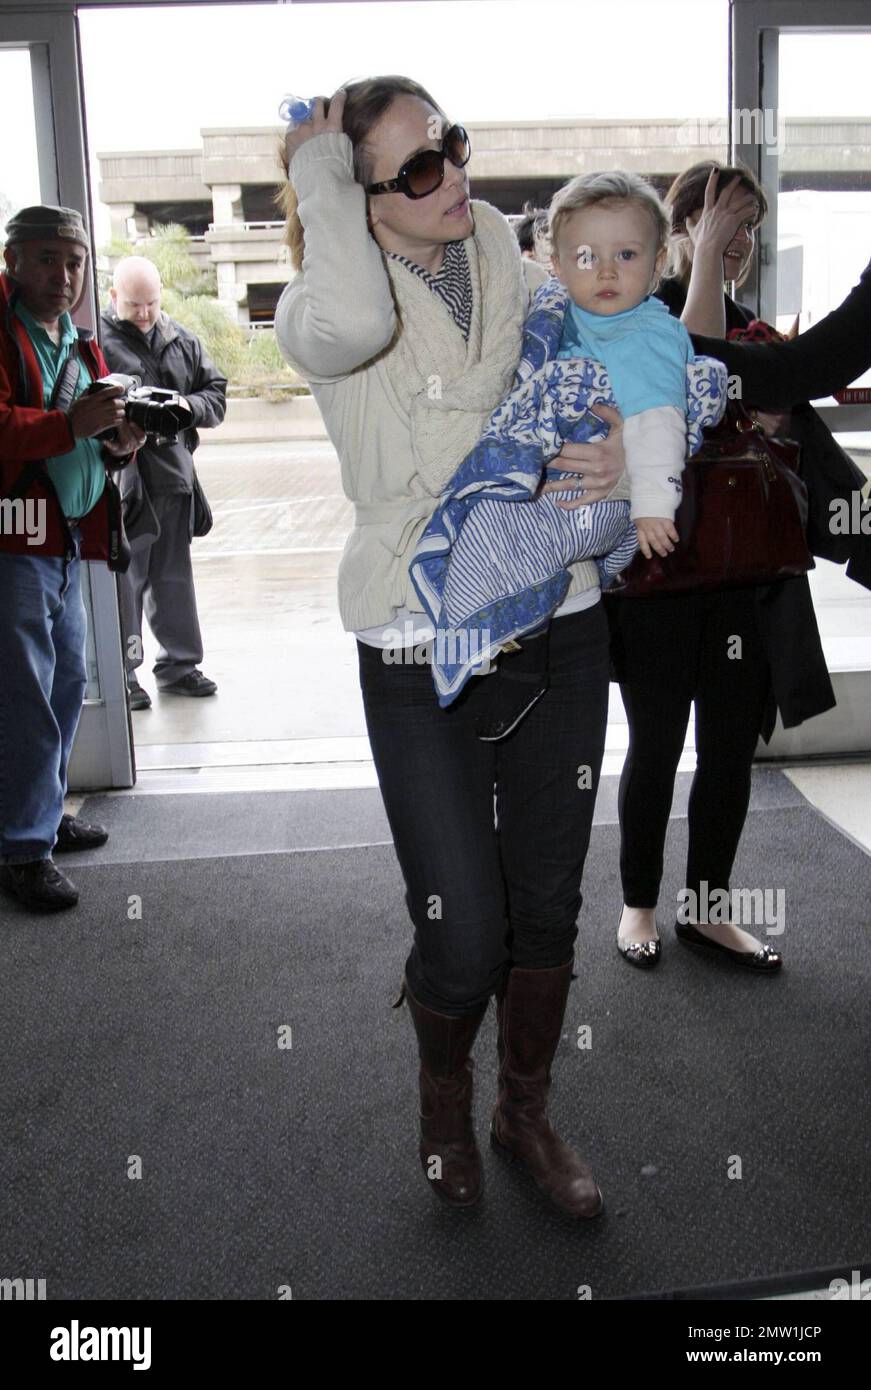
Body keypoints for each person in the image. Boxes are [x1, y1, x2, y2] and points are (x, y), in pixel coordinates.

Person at [274, 77, 629, 1220]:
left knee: (545, 905)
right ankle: (441, 1090)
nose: (453, 180)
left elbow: (601, 376)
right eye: (416, 169)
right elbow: (362, 326)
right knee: (461, 932)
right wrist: (319, 166)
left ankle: (521, 1109)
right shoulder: (318, 308)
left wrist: (616, 453)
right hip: (413, 639)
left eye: (454, 149)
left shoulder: (521, 270)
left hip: (560, 621)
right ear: (352, 191)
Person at [607, 162, 871, 971]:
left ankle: (708, 908)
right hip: (658, 575)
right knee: (655, 744)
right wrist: (705, 250)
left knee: (728, 749)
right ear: (681, 231)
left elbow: (789, 428)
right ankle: (637, 907)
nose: (741, 242)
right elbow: (681, 379)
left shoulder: (760, 335)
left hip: (746, 579)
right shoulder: (640, 316)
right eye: (726, 223)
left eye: (751, 227)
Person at [0, 205, 144, 912]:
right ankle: (24, 849)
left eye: (75, 261)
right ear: (14, 263)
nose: (65, 275)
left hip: (65, 532)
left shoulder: (79, 340)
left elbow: (91, 428)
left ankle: (40, 818)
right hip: (16, 533)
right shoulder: (4, 334)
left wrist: (118, 441)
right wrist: (69, 425)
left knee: (61, 686)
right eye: (48, 259)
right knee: (26, 695)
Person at [100, 256, 227, 709]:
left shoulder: (182, 340)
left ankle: (179, 666)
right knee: (125, 582)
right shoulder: (97, 342)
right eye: (134, 304)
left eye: (151, 303)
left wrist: (186, 407)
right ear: (114, 297)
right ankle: (124, 673)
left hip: (174, 477)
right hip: (123, 480)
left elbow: (215, 394)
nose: (144, 313)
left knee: (174, 577)